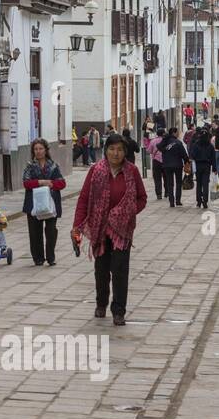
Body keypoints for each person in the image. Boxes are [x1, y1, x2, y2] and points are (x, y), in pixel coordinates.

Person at [72, 134, 148, 327]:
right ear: (105, 150)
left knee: (120, 270)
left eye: (120, 149)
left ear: (125, 152)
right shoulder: (95, 171)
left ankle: (119, 311)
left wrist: (127, 212)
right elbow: (84, 199)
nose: (116, 153)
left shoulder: (132, 171)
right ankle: (101, 303)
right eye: (112, 149)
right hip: (99, 229)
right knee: (102, 270)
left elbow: (142, 198)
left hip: (122, 230)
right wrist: (77, 226)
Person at [22, 138, 67, 266]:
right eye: (35, 149)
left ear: (46, 150)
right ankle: (38, 258)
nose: (38, 151)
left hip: (51, 203)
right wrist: (40, 182)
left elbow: (62, 183)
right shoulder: (30, 166)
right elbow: (26, 183)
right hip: (34, 203)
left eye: (41, 148)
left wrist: (51, 184)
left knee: (51, 230)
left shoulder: (53, 166)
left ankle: (51, 256)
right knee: (35, 232)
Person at [158, 126, 189, 207]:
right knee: (178, 183)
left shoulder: (165, 143)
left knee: (170, 183)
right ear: (174, 133)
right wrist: (187, 162)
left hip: (167, 165)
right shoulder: (178, 143)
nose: (178, 133)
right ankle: (178, 201)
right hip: (178, 165)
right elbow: (184, 155)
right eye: (177, 132)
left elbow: (159, 147)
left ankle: (171, 202)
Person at [189, 127, 215, 209]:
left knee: (199, 184)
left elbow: (192, 155)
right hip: (207, 166)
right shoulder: (210, 146)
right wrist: (215, 168)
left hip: (198, 166)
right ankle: (205, 201)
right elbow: (213, 158)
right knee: (205, 184)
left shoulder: (196, 145)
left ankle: (199, 201)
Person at [145, 130, 165, 200]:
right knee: (166, 177)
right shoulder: (166, 141)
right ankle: (167, 192)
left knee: (157, 178)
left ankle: (159, 194)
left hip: (156, 161)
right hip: (165, 161)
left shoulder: (153, 141)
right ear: (163, 134)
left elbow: (149, 151)